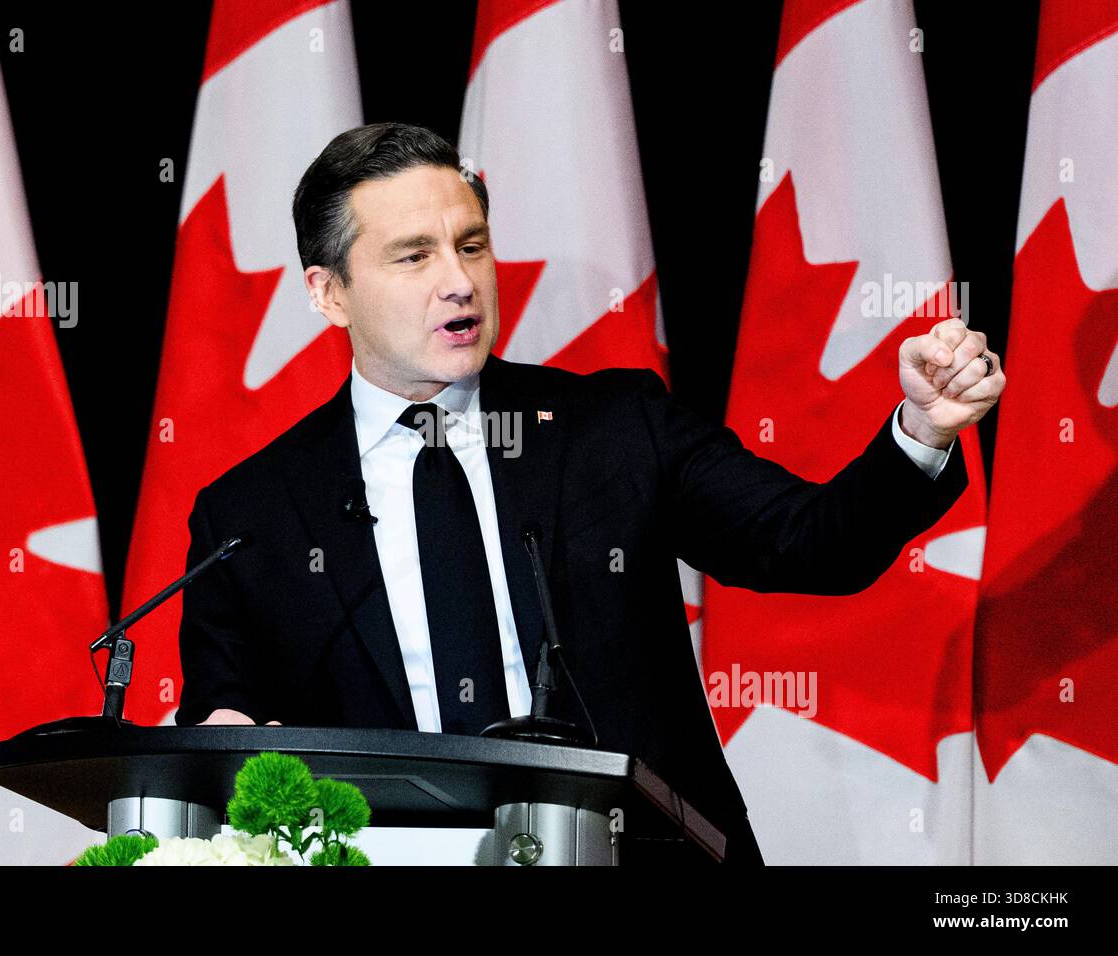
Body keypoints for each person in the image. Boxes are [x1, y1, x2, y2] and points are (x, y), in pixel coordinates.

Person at [172, 122, 1005, 864]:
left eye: (471, 244)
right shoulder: (248, 516)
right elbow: (226, 725)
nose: (460, 281)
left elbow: (813, 541)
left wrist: (921, 433)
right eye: (414, 255)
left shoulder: (614, 429)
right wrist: (228, 743)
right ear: (328, 292)